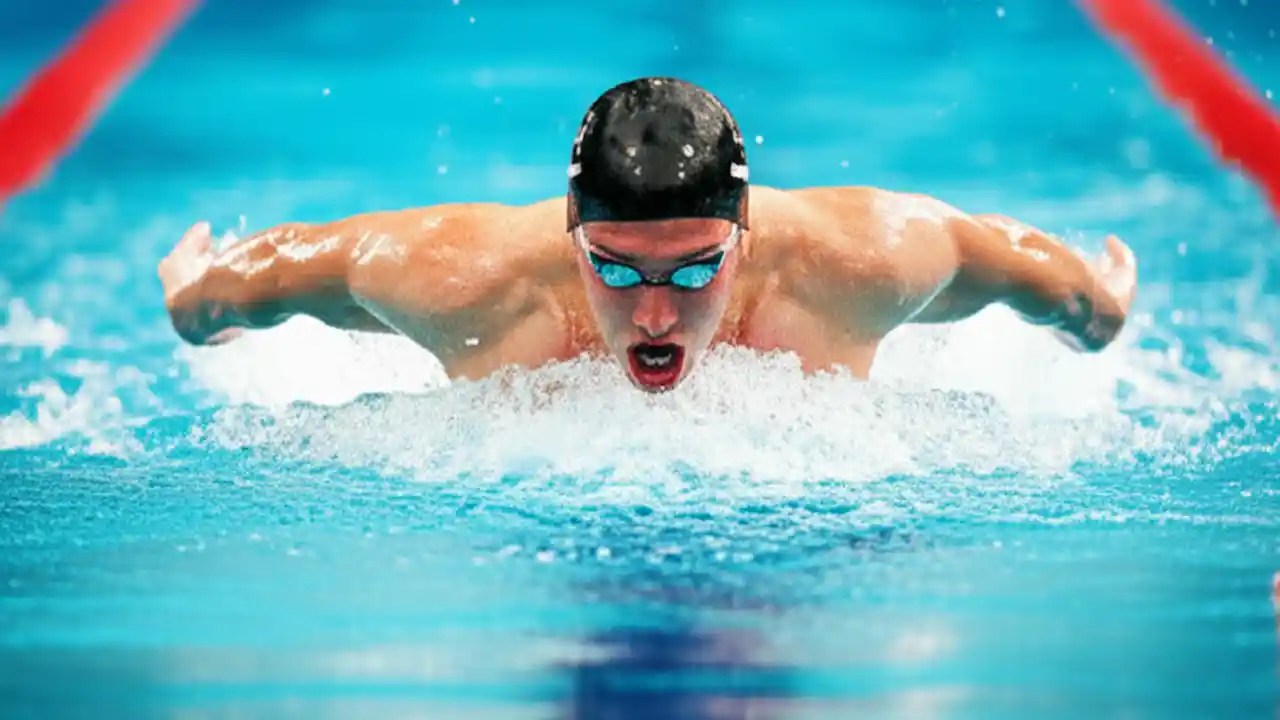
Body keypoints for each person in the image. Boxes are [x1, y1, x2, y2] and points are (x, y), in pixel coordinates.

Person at [159, 77, 1137, 393]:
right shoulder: (463, 281)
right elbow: (291, 268)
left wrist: (1092, 313)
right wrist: (199, 303)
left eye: (697, 266)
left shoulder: (858, 260)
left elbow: (1000, 259)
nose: (657, 313)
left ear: (745, 239)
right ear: (569, 237)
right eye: (617, 272)